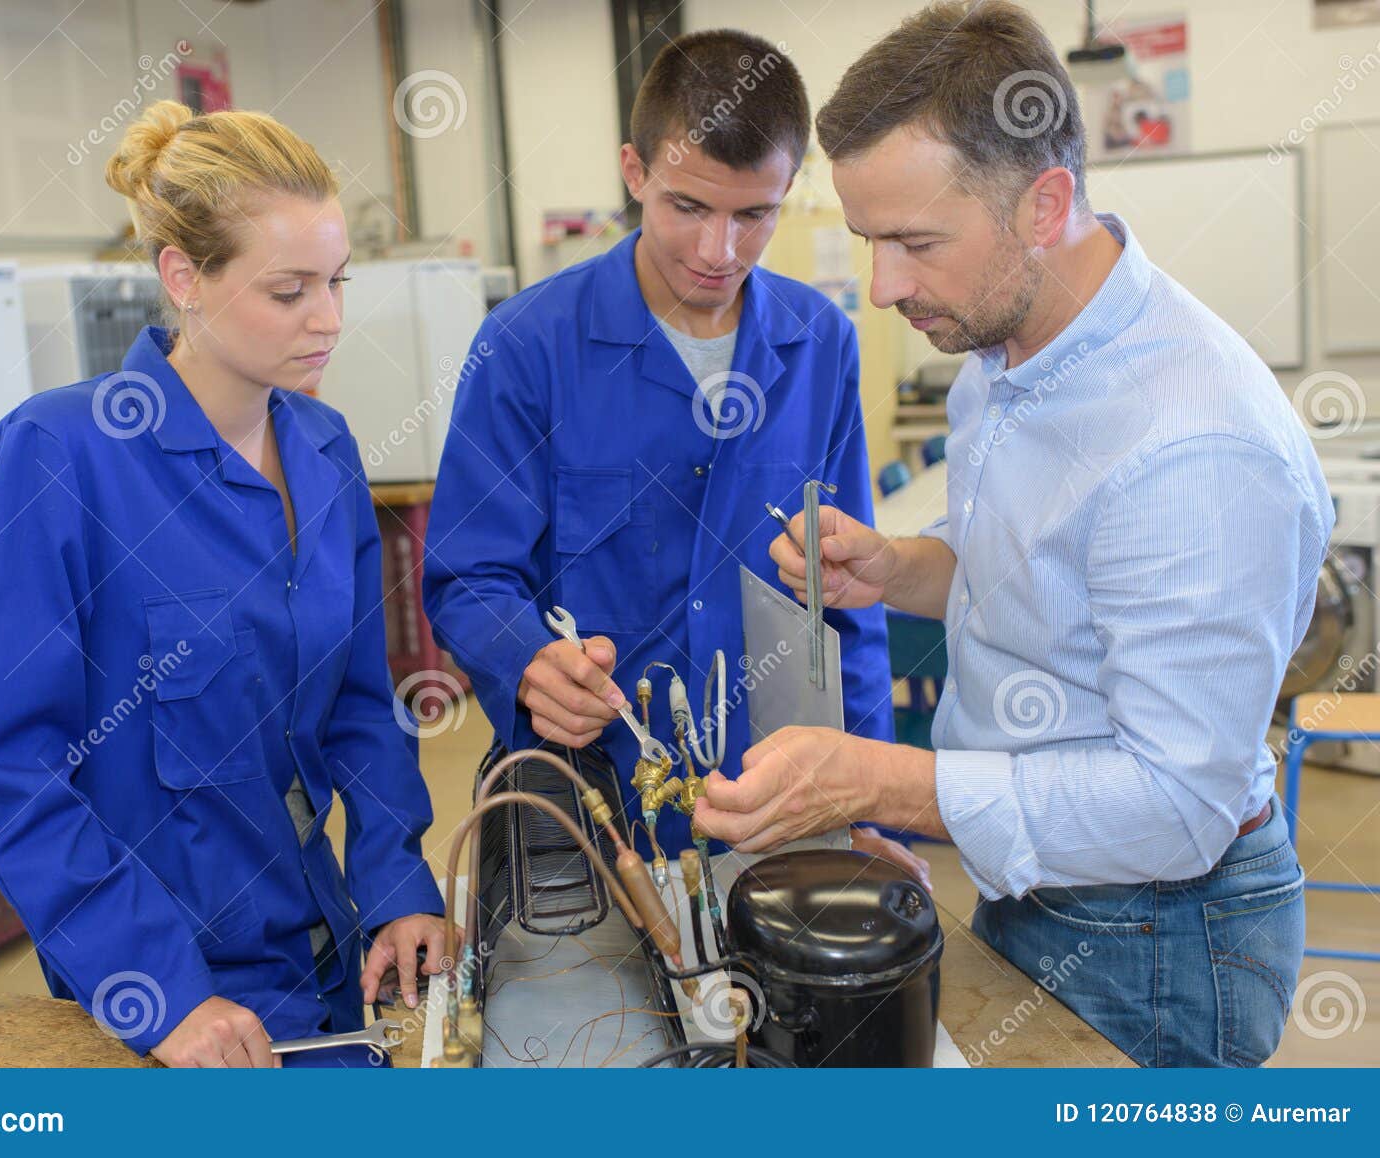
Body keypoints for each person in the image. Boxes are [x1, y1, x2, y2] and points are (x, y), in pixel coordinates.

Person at [695, 1, 1333, 1068]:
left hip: (1160, 934)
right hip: (1031, 878)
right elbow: (1045, 583)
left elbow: (1178, 803)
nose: (881, 288)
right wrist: (898, 569)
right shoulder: (1004, 352)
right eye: (867, 242)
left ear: (1043, 206)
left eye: (912, 243)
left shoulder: (1193, 447)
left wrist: (878, 783)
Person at [0, 100, 445, 1068]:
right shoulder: (60, 458)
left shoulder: (324, 449)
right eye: (289, 290)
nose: (330, 319)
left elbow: (353, 704)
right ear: (184, 277)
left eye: (336, 283)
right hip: (168, 987)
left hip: (328, 948)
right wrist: (161, 996)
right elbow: (12, 774)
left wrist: (395, 883)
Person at [423, 30, 913, 872]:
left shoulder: (819, 344)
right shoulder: (526, 347)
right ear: (634, 172)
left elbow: (848, 605)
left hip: (774, 805)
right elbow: (468, 576)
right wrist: (527, 659)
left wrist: (874, 808)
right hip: (585, 810)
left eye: (753, 215)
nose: (717, 252)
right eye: (688, 207)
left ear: (787, 192)